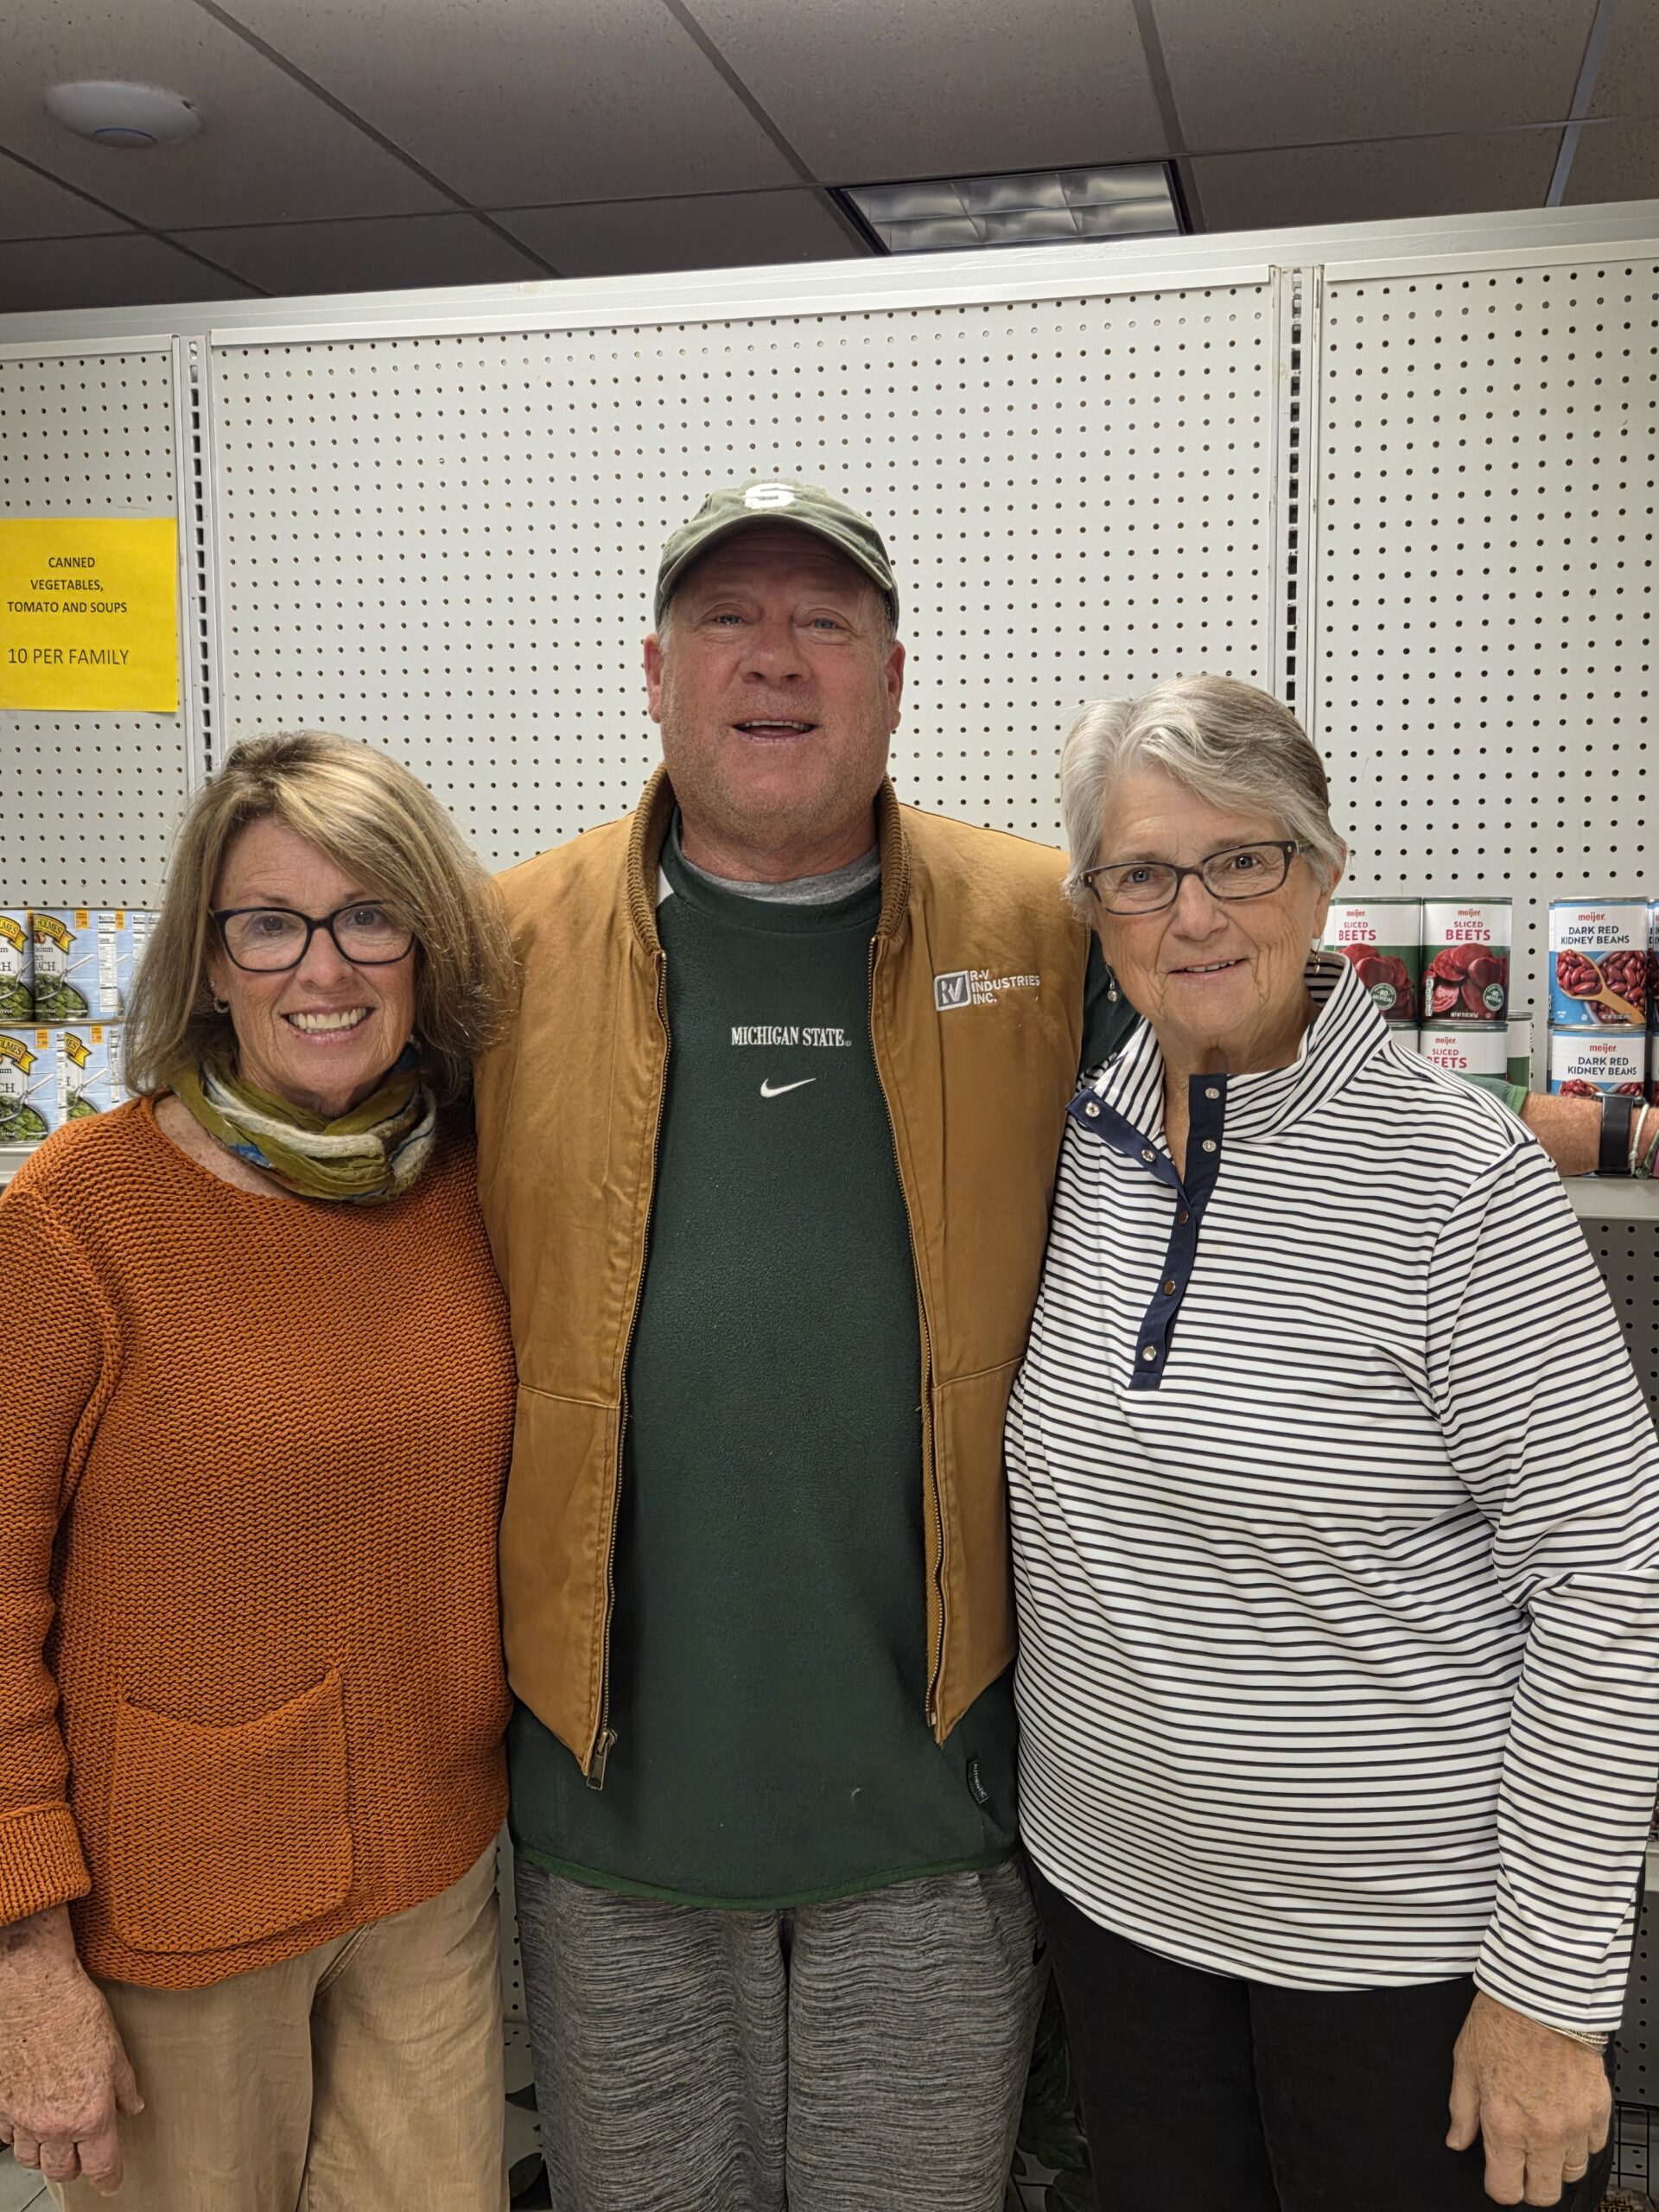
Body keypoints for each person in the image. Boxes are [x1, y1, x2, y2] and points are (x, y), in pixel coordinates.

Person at [473, 480, 1133, 2211]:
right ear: (654, 672)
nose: (775, 660)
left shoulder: (1047, 930)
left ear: (893, 680)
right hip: (615, 1808)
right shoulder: (504, 947)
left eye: (824, 622)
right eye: (728, 619)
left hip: (939, 1800)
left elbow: (1254, 1120)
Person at [1007, 673, 1659, 2212]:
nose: (1195, 914)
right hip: (1124, 1918)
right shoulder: (1080, 1145)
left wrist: (1549, 1992)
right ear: (1094, 910)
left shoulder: (1458, 1184)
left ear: (1322, 875)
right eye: (1143, 873)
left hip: (1403, 1968)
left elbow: (1608, 1584)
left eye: (1244, 859)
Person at [0, 732, 519, 2211]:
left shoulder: (471, 1187)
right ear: (212, 965)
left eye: (370, 917)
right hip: (176, 1907)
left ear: (424, 949)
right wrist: (25, 1958)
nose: (323, 968)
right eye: (270, 925)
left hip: (433, 1875)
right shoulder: (78, 1221)